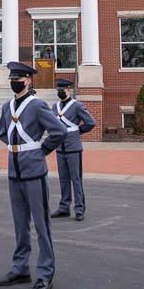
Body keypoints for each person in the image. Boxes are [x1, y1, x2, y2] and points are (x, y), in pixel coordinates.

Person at [0, 61, 67, 289]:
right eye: (12, 79)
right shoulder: (7, 107)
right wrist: (19, 148)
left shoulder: (37, 105)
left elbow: (59, 131)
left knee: (41, 224)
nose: (14, 82)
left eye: (18, 79)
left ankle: (45, 272)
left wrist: (40, 150)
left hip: (34, 171)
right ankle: (20, 268)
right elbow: (2, 133)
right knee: (20, 224)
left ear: (28, 80)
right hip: (14, 171)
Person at [50, 78, 96, 221]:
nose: (60, 93)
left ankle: (79, 208)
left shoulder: (77, 106)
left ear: (68, 91)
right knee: (63, 179)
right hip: (60, 147)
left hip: (73, 147)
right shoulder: (55, 107)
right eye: (58, 91)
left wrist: (77, 131)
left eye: (62, 91)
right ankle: (64, 207)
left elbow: (90, 122)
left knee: (76, 179)